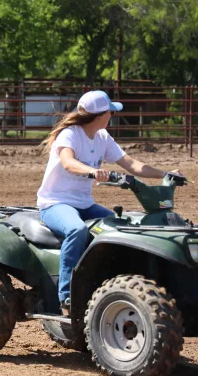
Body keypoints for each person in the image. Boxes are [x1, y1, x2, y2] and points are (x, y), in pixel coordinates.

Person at [37, 90, 181, 315]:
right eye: (109, 111)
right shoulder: (70, 134)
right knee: (76, 230)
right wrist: (93, 172)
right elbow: (68, 163)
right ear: (99, 115)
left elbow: (131, 164)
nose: (112, 115)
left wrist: (166, 174)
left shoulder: (103, 137)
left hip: (84, 203)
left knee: (119, 226)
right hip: (55, 203)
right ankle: (65, 295)